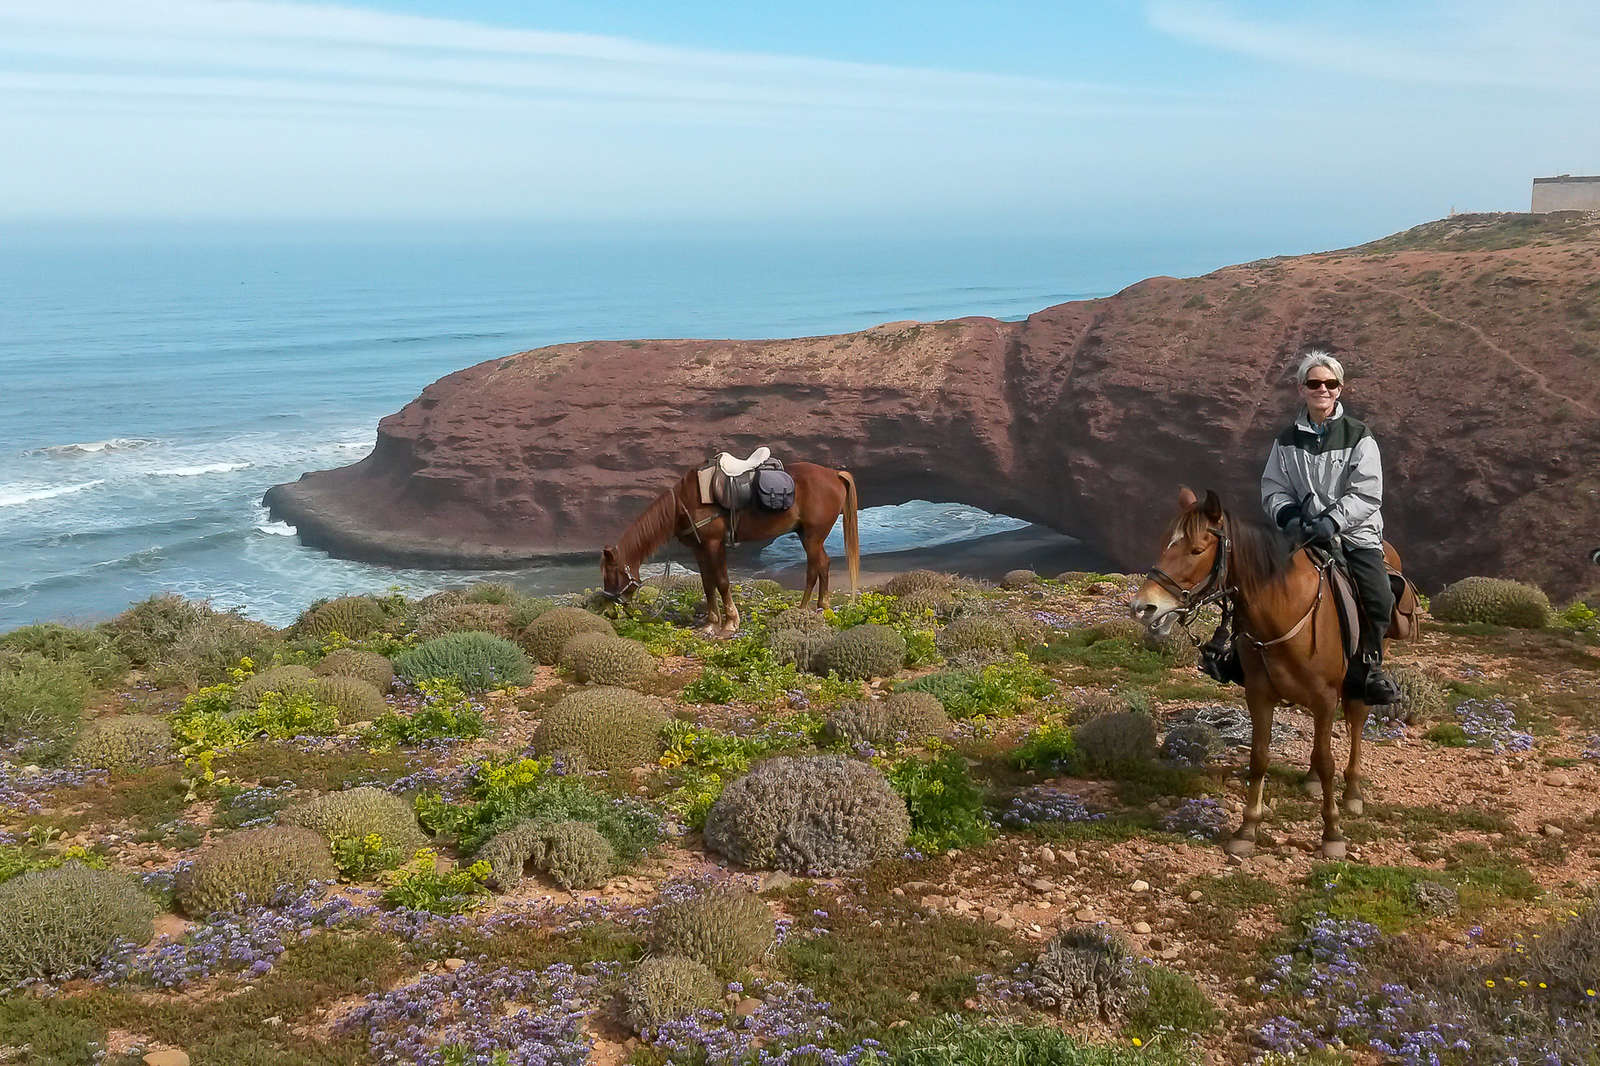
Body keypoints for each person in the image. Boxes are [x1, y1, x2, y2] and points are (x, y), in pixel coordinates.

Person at [1260, 350, 1401, 705]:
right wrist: (1289, 516)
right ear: (1301, 389)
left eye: (1330, 383)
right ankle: (1238, 655)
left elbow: (1368, 492)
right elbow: (1274, 487)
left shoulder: (1359, 435)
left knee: (1378, 596)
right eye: (1314, 383)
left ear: (1340, 389)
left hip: (1355, 533)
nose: (1322, 389)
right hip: (1302, 532)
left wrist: (1334, 520)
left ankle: (1370, 667)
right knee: (1254, 580)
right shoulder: (1285, 440)